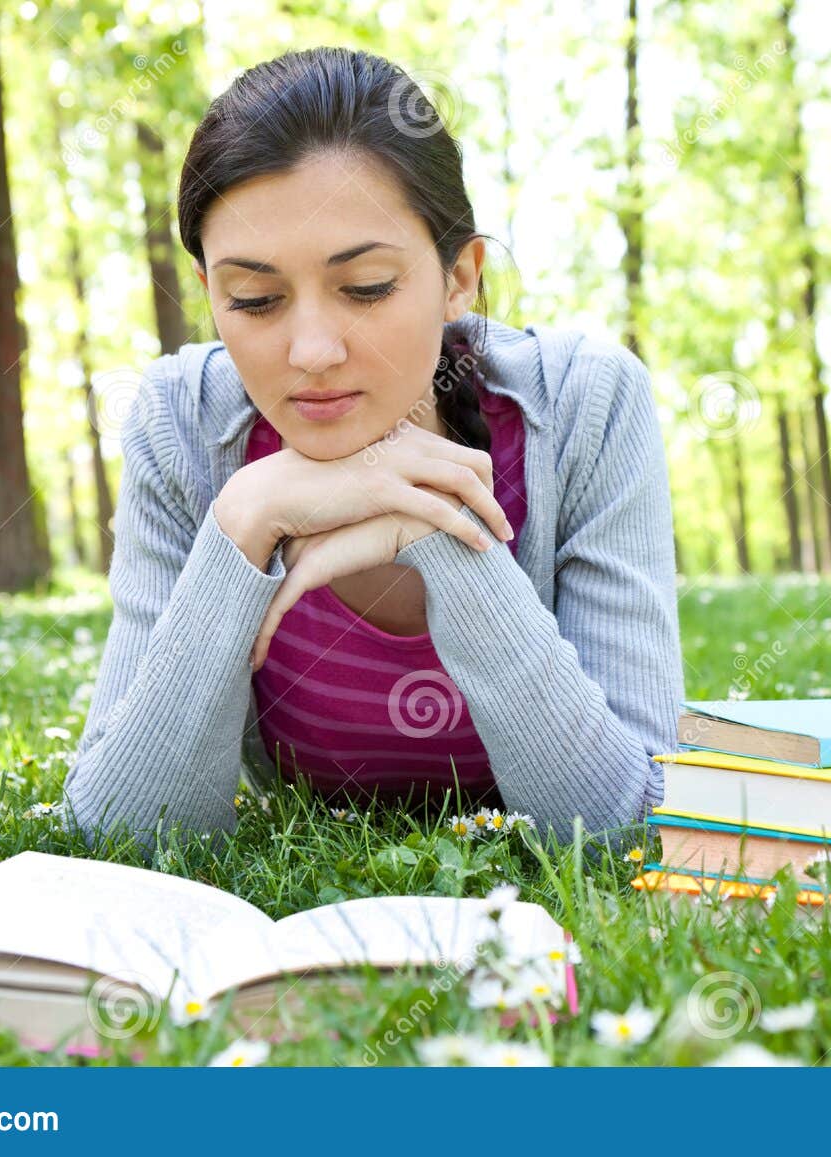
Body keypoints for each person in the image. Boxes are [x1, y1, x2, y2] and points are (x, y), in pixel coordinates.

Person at [62, 45, 683, 858]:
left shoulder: (588, 405)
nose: (312, 350)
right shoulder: (180, 424)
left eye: (365, 288)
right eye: (254, 299)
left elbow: (632, 831)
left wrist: (435, 528)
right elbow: (123, 837)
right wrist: (244, 522)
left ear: (459, 276)